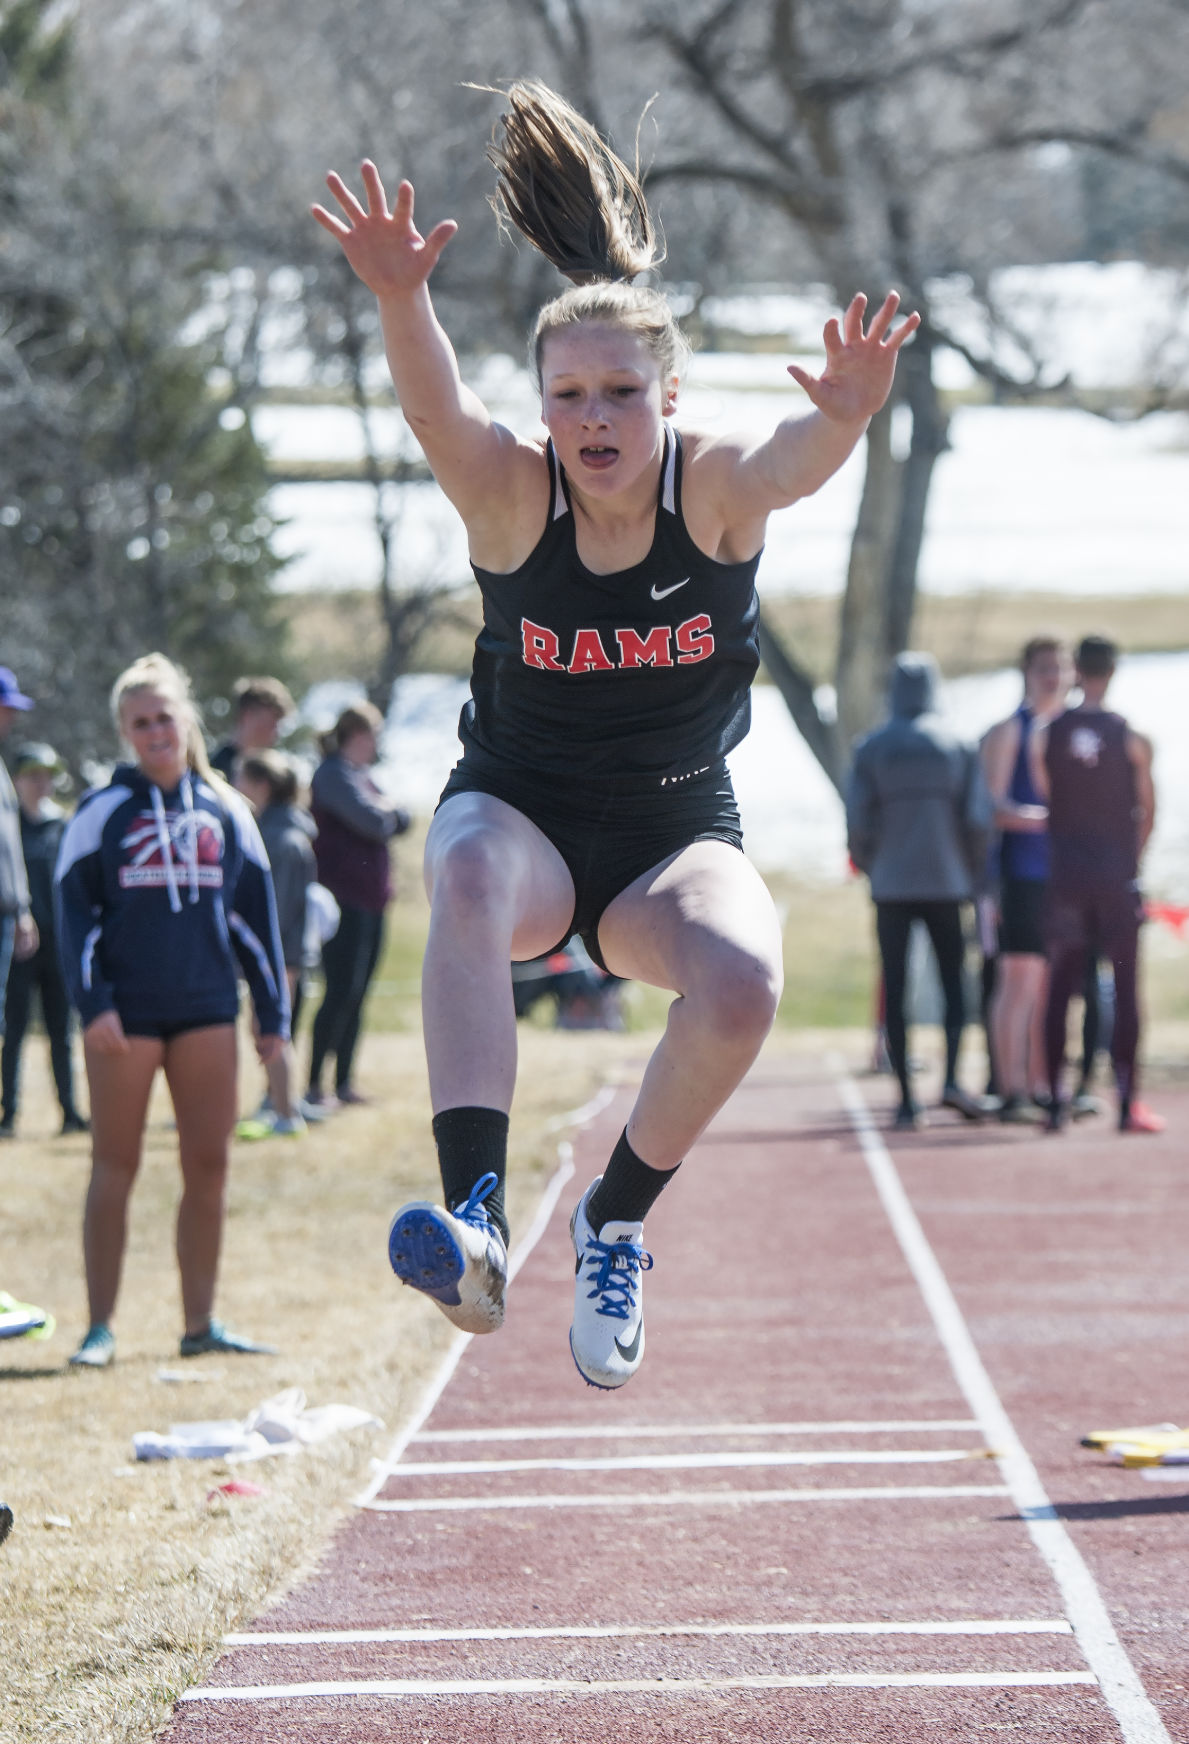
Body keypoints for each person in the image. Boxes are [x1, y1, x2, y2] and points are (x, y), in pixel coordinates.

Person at [312, 79, 919, 1388]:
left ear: (667, 394)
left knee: (745, 986)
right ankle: (473, 1217)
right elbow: (432, 414)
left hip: (668, 832)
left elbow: (785, 468)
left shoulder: (708, 490)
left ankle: (615, 1219)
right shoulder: (509, 497)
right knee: (461, 871)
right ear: (543, 408)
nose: (594, 418)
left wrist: (846, 416)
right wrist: (399, 297)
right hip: (520, 817)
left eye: (620, 394)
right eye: (571, 394)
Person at [54, 653, 290, 1367]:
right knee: (114, 1165)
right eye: (140, 722)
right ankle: (100, 1329)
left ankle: (200, 1323)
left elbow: (255, 921)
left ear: (185, 719)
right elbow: (74, 918)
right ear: (125, 732)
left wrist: (272, 1013)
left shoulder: (227, 811)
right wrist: (91, 1004)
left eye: (165, 717)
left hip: (208, 1011)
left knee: (208, 1167)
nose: (156, 732)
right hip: (123, 1019)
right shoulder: (99, 813)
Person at [846, 653, 993, 1131]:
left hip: (891, 885)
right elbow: (977, 820)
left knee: (897, 985)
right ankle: (950, 1080)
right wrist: (970, 873)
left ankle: (907, 1099)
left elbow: (858, 821)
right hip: (948, 883)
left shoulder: (872, 747)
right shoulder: (957, 745)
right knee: (955, 984)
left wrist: (873, 865)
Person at [1029, 635, 1161, 1134]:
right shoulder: (1132, 736)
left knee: (1059, 987)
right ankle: (1126, 1100)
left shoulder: (1047, 733)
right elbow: (1147, 809)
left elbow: (1047, 797)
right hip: (1115, 878)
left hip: (1066, 877)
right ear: (1113, 671)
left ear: (1076, 671)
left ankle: (1055, 1103)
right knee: (1125, 988)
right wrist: (1130, 858)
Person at [979, 636, 1072, 1124]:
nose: (1053, 677)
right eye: (1044, 668)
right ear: (1026, 672)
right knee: (1019, 982)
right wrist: (1054, 818)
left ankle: (1044, 1085)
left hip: (1065, 877)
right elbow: (992, 809)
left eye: (1061, 667)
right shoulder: (1007, 732)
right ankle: (1011, 1088)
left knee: (1052, 986)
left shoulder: (1072, 731)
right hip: (1022, 875)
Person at [306, 703, 409, 1109]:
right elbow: (376, 822)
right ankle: (315, 1084)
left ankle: (344, 1081)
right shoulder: (332, 774)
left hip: (371, 902)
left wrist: (390, 812)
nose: (377, 743)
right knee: (339, 991)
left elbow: (400, 816)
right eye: (373, 734)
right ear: (357, 734)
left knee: (358, 993)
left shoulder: (362, 777)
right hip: (342, 902)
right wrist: (388, 812)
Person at [1, 744, 88, 1137]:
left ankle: (70, 1113)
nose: (42, 783)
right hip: (17, 948)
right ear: (17, 780)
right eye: (33, 775)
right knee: (14, 1031)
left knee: (61, 1032)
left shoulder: (62, 825)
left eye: (47, 775)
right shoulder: (8, 824)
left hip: (58, 945)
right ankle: (9, 1115)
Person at [234, 750, 318, 1136]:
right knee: (267, 1028)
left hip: (278, 954)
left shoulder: (281, 838)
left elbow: (276, 911)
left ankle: (286, 1113)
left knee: (270, 1029)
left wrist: (261, 957)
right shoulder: (281, 830)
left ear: (262, 786)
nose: (237, 788)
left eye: (243, 780)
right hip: (282, 952)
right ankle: (283, 1106)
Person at [0, 667, 38, 1069]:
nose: (10, 717)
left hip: (6, 912)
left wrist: (22, 908)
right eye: (5, 707)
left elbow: (9, 850)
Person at [210, 676, 296, 780]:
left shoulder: (272, 776)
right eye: (271, 722)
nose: (276, 732)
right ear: (247, 715)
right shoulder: (214, 770)